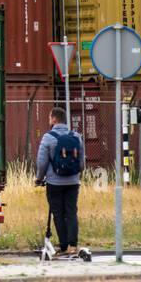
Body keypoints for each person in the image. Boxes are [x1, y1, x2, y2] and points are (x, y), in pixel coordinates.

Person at [36, 106, 85, 258]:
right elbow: (82, 161)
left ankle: (63, 246)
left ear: (54, 119)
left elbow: (42, 162)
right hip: (73, 182)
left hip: (54, 183)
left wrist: (39, 178)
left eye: (50, 118)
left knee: (58, 213)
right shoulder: (76, 136)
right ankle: (73, 245)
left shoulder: (48, 137)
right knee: (71, 212)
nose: (49, 120)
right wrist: (76, 175)